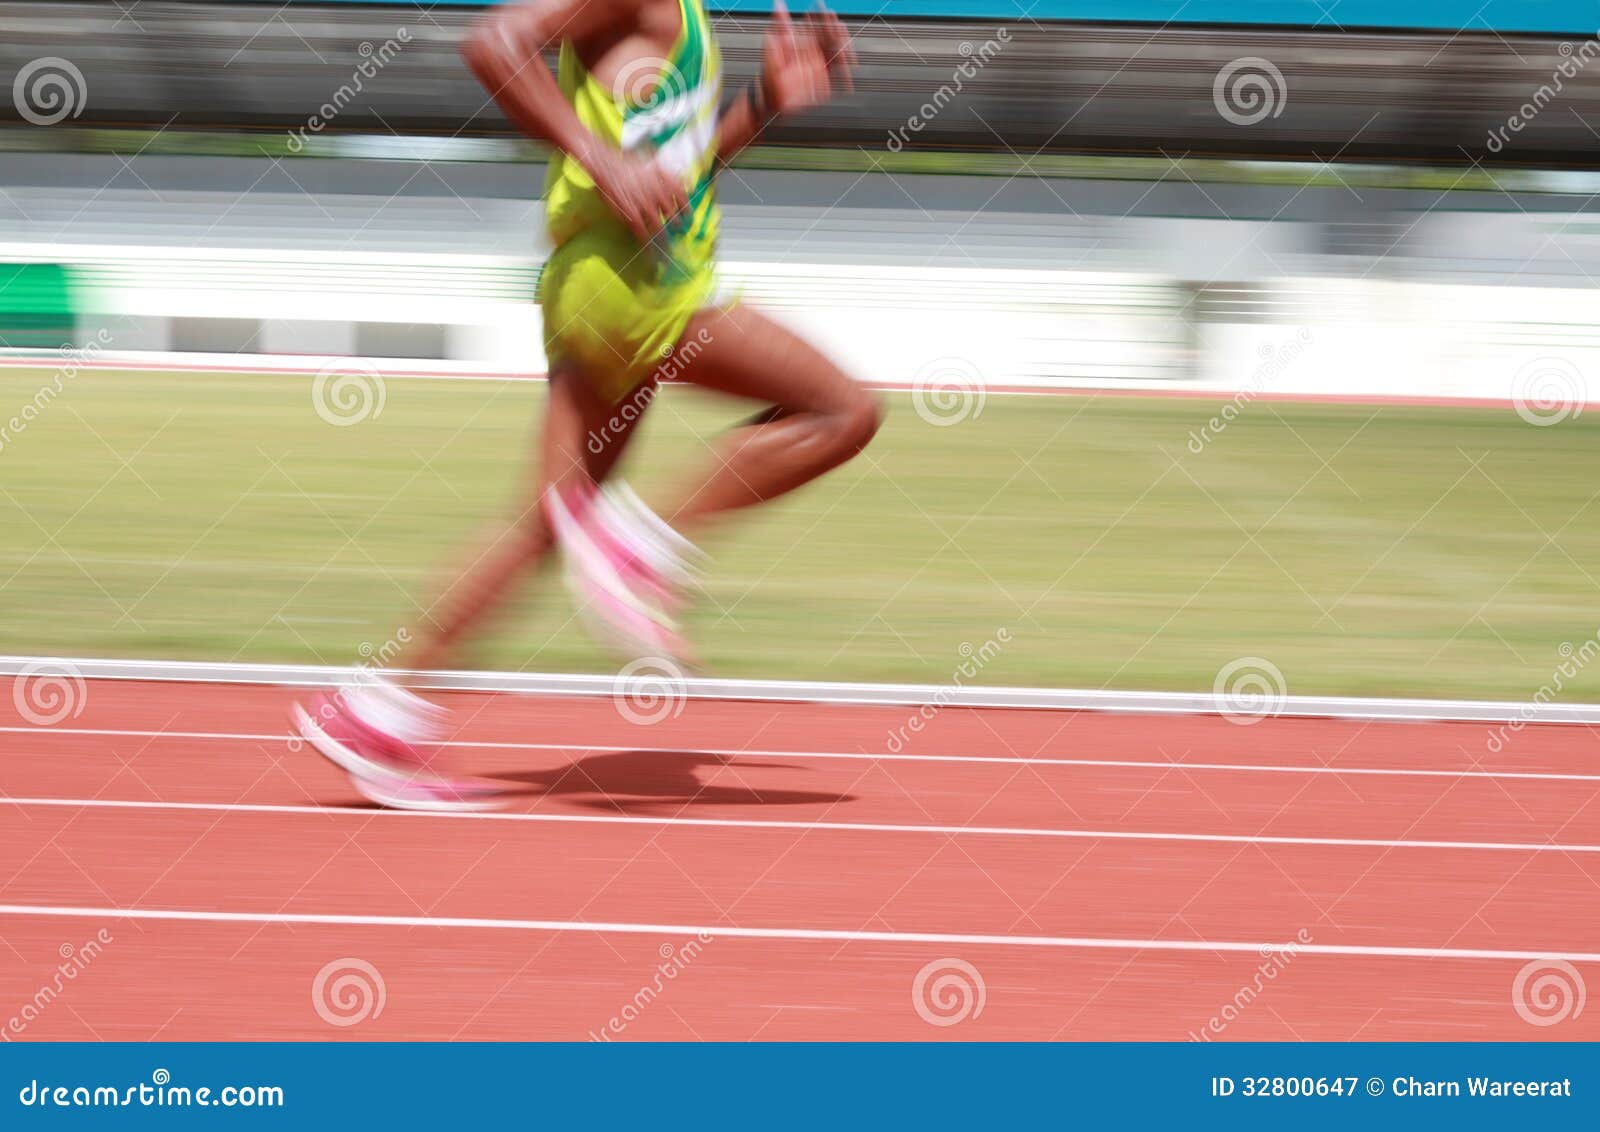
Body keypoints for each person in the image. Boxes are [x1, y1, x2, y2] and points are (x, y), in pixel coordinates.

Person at [294, 0, 880, 811]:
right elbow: (494, 42)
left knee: (546, 518)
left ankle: (380, 711)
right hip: (636, 287)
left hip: (618, 279)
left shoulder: (686, 17)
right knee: (842, 413)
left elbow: (677, 176)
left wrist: (765, 102)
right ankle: (643, 548)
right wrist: (600, 158)